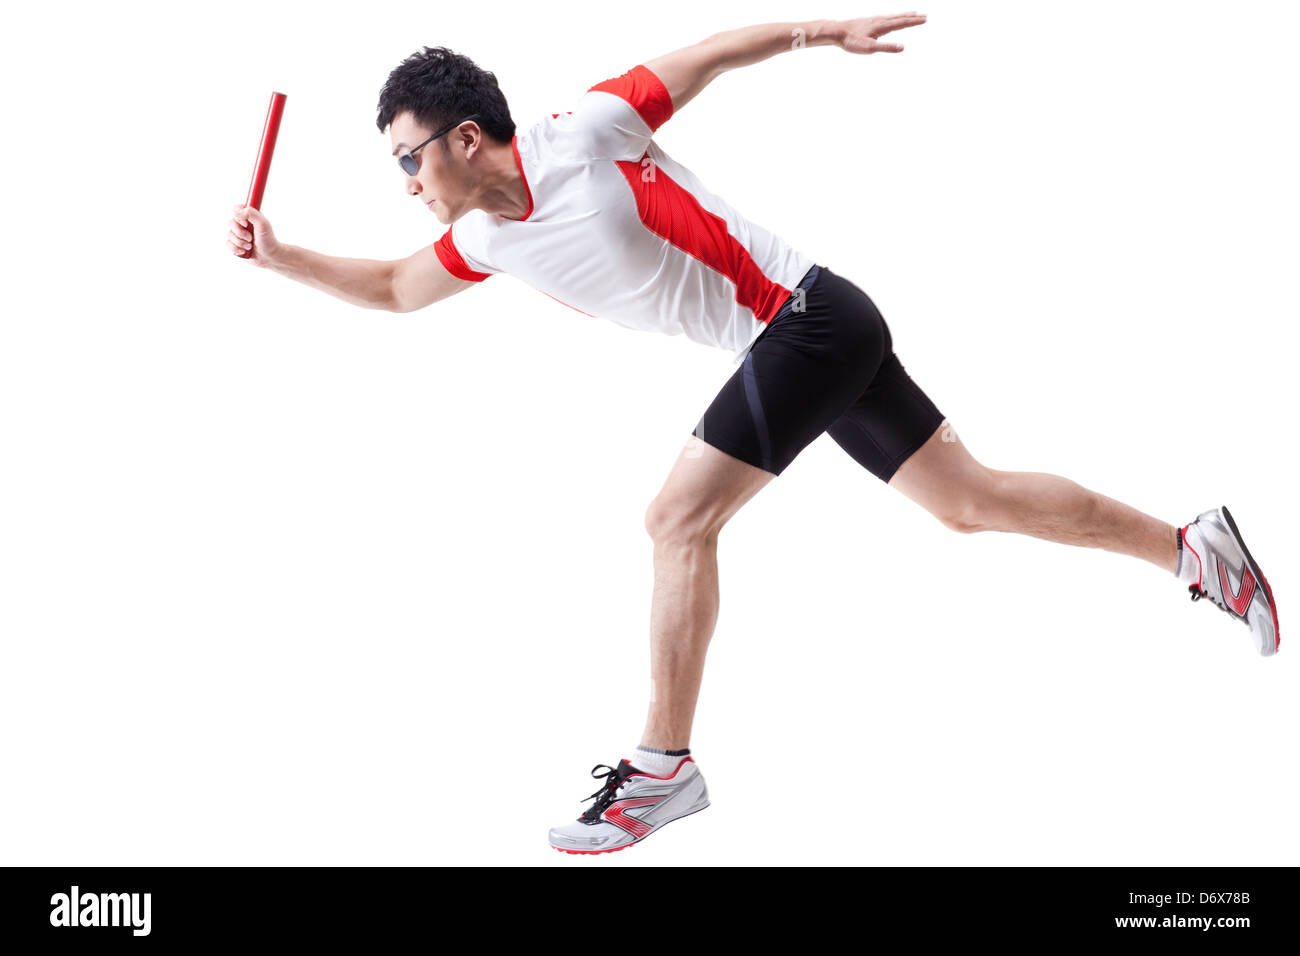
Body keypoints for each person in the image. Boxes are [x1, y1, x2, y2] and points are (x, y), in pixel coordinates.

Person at [226, 13, 1280, 855]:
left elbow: (713, 53)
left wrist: (829, 34)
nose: (406, 183)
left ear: (466, 136)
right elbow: (395, 290)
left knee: (674, 518)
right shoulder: (485, 239)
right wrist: (284, 258)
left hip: (808, 320)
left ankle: (661, 765)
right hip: (809, 336)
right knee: (971, 501)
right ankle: (1191, 546)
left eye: (409, 158)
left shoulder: (583, 130)